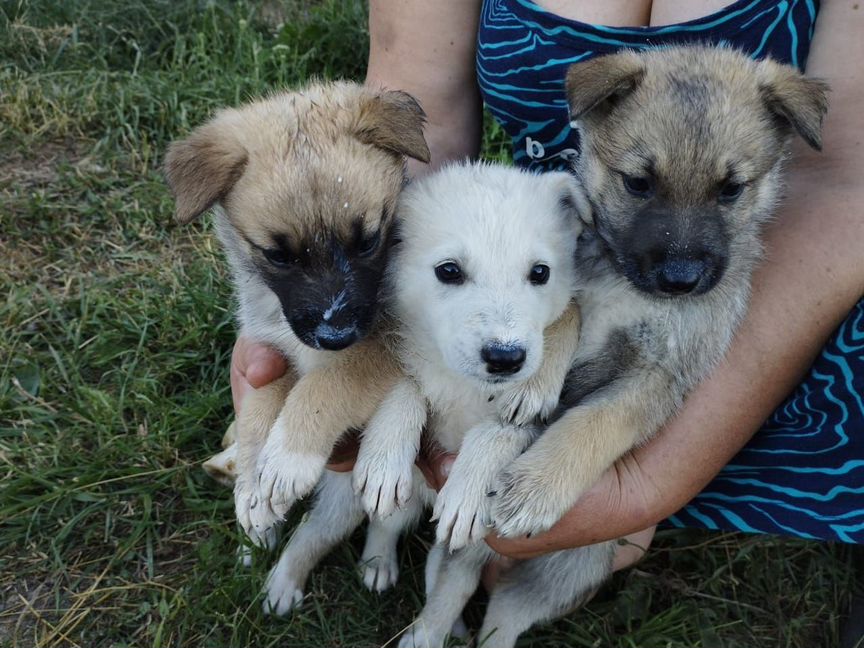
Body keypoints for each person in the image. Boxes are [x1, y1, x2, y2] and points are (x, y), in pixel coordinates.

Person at [231, 0, 863, 639]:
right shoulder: (553, 233)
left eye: (728, 192)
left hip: (786, 329)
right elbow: (421, 108)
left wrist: (646, 480)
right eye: (639, 185)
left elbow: (848, 181)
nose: (679, 261)